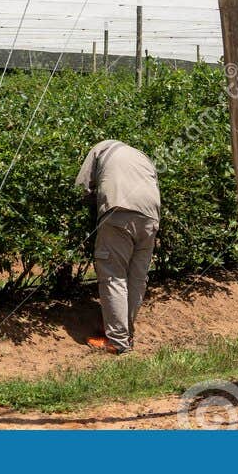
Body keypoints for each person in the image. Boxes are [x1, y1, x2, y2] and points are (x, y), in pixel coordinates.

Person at [75, 139, 160, 354]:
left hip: (119, 211)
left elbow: (81, 187)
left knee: (113, 275)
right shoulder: (142, 156)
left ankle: (117, 341)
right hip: (151, 216)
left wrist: (92, 206)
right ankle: (125, 333)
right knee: (137, 278)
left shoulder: (100, 149)